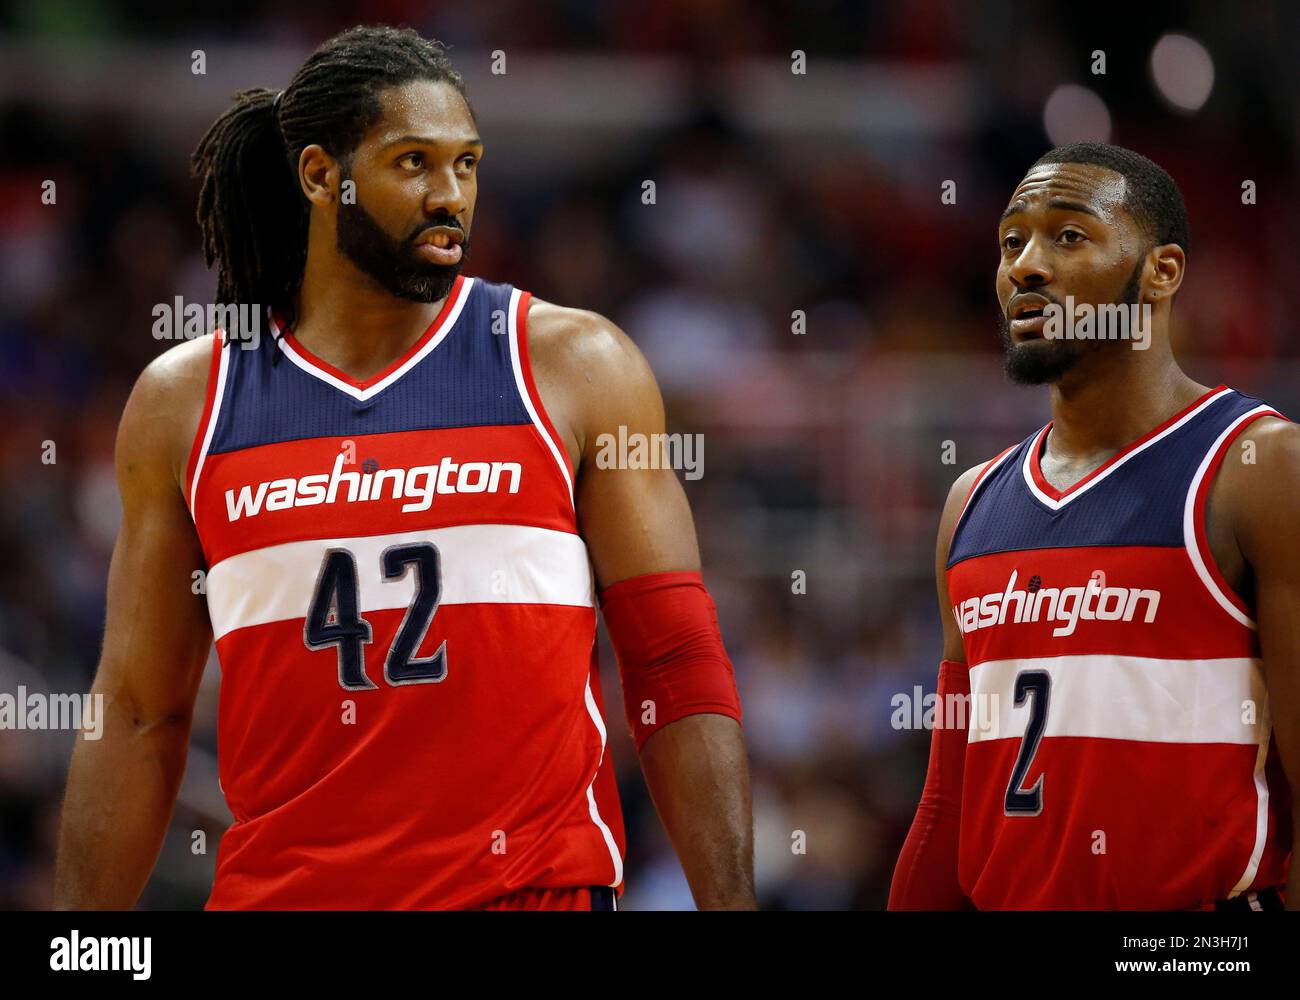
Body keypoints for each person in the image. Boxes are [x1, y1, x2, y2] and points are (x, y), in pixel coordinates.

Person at [54, 24, 754, 911]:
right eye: (413, 162)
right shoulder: (186, 402)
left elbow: (676, 664)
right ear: (320, 176)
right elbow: (138, 713)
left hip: (531, 893)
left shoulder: (575, 365)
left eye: (466, 165)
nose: (450, 196)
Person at [890, 143, 1298, 910]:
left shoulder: (1260, 468)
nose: (1026, 267)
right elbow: (947, 807)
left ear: (1161, 271)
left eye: (1068, 236)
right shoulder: (971, 502)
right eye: (1012, 242)